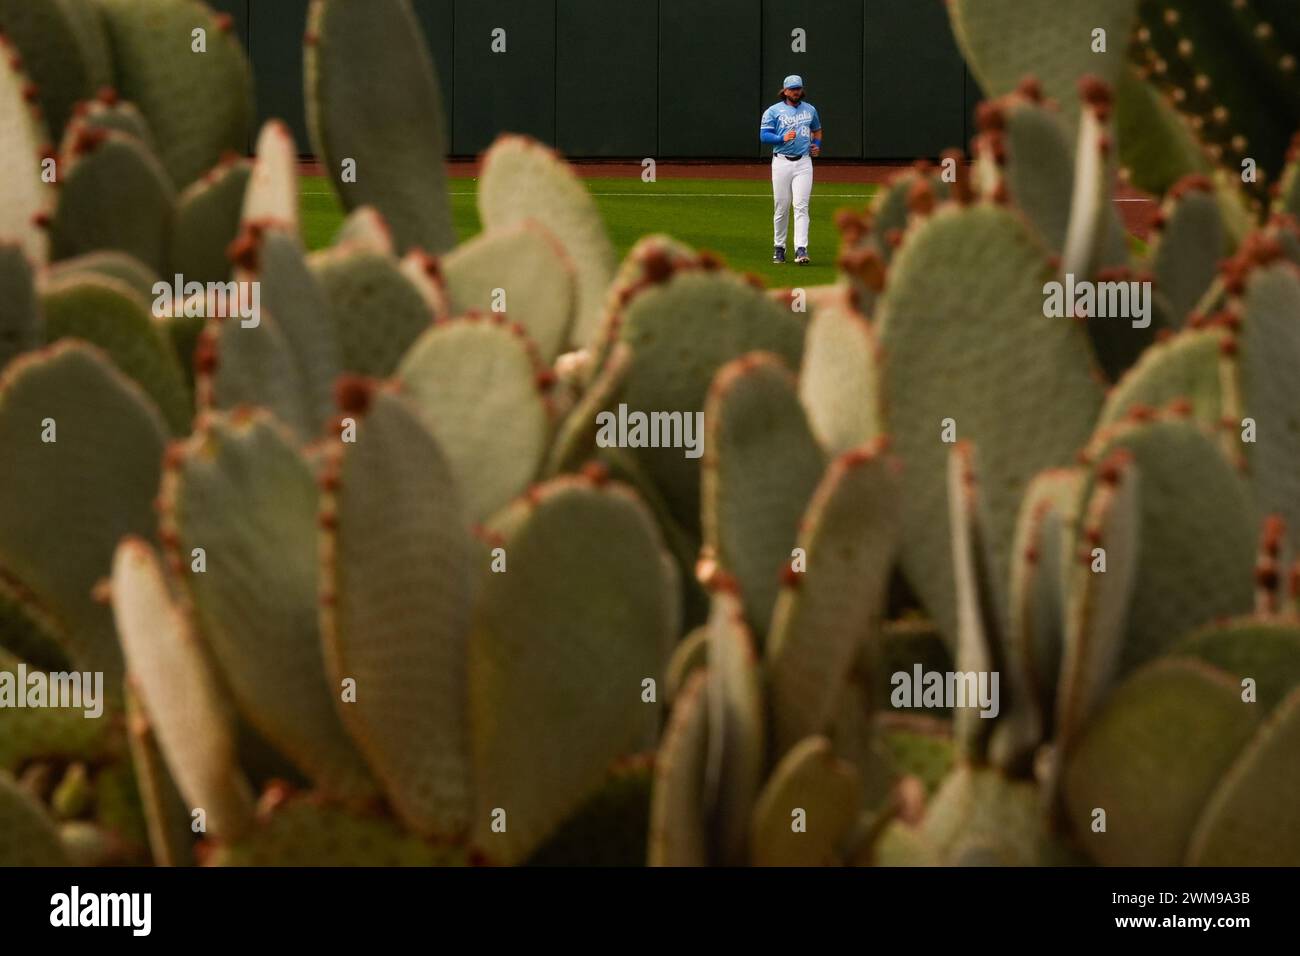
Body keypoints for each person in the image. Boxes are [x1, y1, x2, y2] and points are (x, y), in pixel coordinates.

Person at [759, 75, 822, 265]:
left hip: (803, 162)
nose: (796, 91)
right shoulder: (773, 111)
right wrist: (781, 138)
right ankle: (779, 247)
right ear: (785, 91)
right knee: (781, 207)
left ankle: (801, 249)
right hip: (781, 163)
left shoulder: (810, 109)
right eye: (792, 88)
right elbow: (764, 135)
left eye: (798, 88)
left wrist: (816, 145)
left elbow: (817, 129)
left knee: (801, 206)